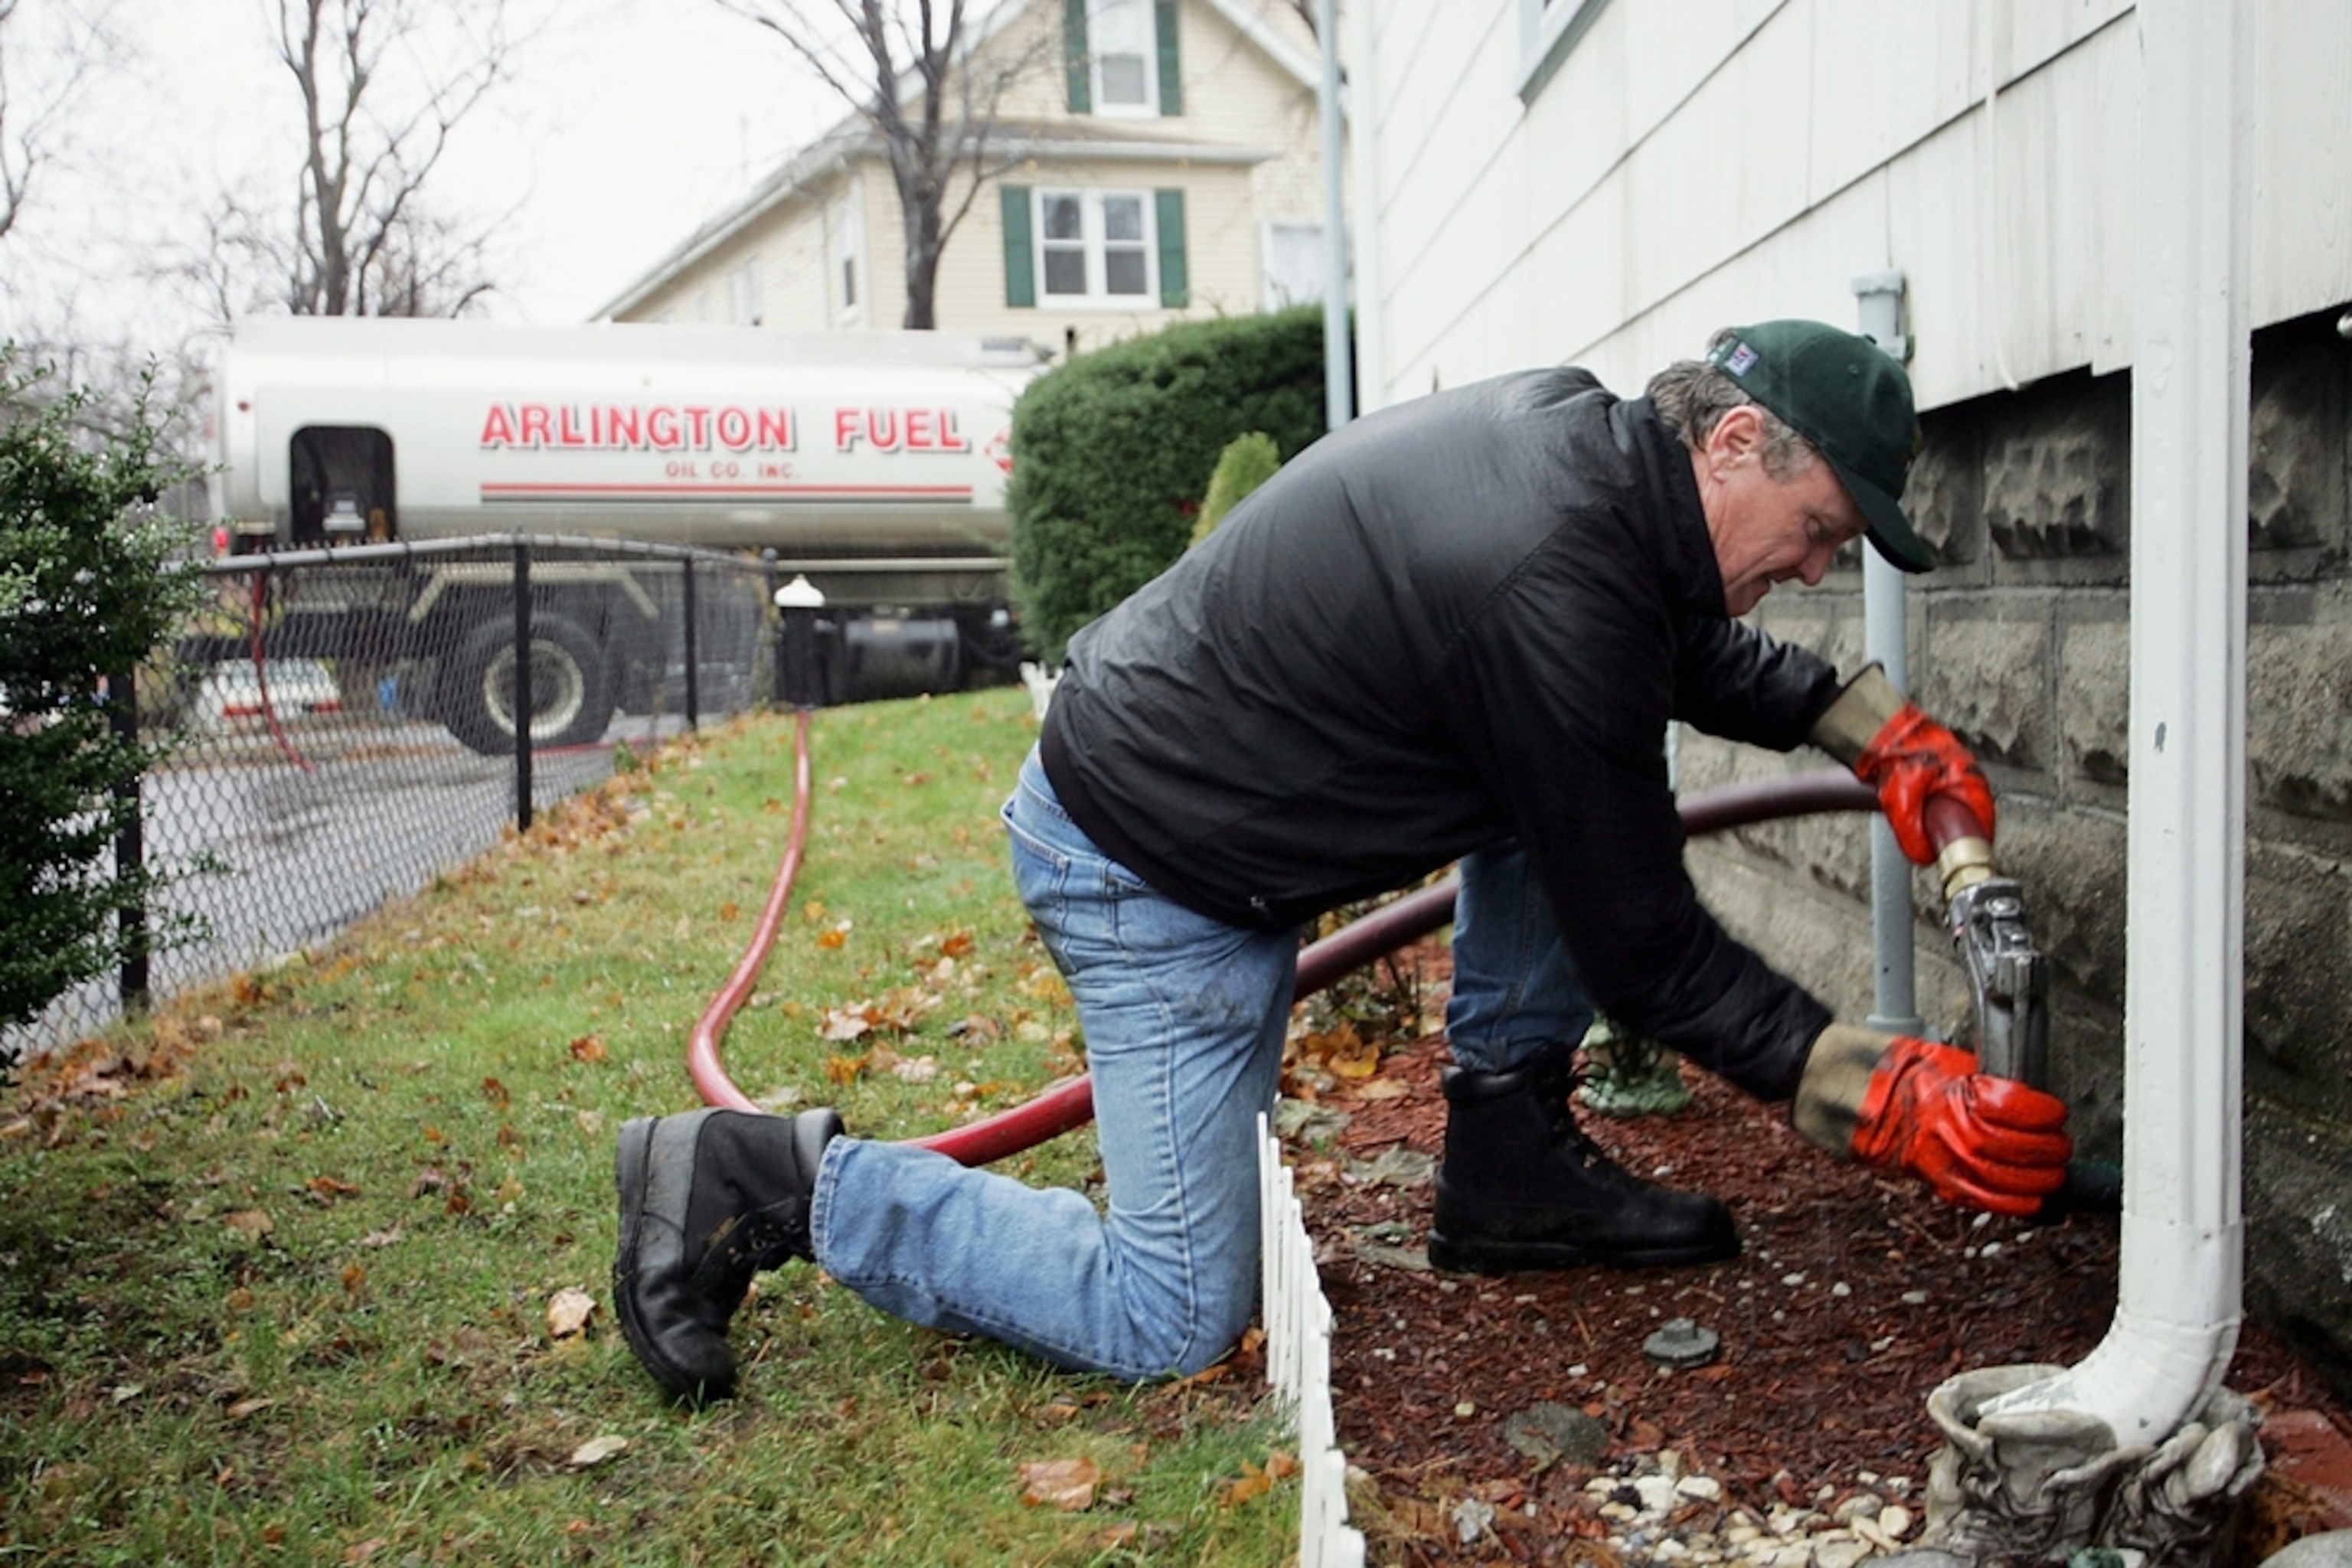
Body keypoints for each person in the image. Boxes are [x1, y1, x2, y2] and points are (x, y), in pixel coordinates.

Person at [611, 319, 2075, 1404]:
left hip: (1192, 818)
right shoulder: (1552, 578)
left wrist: (1866, 727)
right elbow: (1645, 946)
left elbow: (1665, 637)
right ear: (1737, 443)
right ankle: (770, 1176)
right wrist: (1870, 1087)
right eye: (1819, 532)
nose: (1818, 568)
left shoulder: (1594, 454)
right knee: (1169, 1311)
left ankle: (1508, 1169)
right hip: (1147, 877)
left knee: (1547, 785)